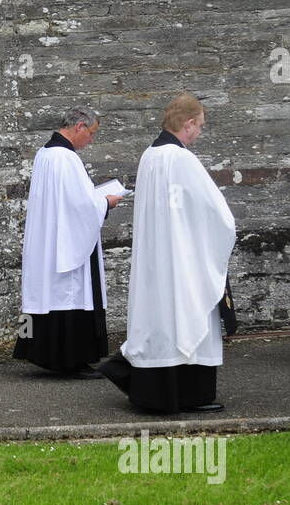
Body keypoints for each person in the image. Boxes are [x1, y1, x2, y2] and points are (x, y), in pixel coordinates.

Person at [99, 93, 236, 412]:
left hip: (157, 256)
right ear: (188, 124)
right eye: (199, 126)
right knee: (185, 314)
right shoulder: (181, 159)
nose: (200, 132)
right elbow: (216, 213)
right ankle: (191, 394)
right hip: (181, 257)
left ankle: (155, 390)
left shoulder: (150, 155)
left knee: (161, 319)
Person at [13, 108, 121, 377]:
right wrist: (106, 202)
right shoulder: (66, 158)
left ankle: (42, 353)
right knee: (71, 293)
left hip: (47, 240)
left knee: (46, 295)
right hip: (64, 243)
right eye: (92, 133)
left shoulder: (44, 154)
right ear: (79, 127)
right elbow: (80, 205)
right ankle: (72, 361)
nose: (91, 140)